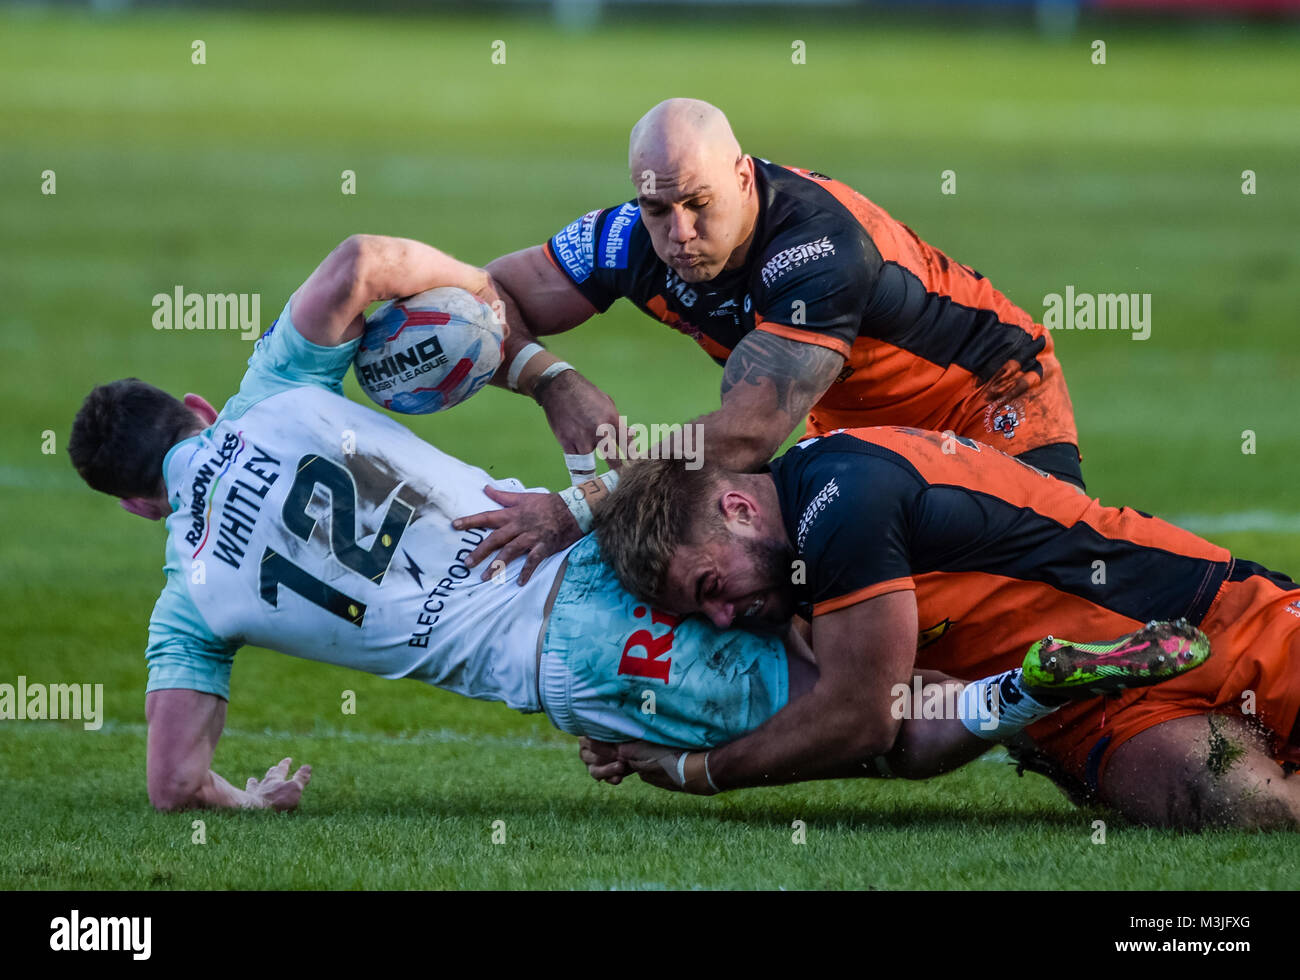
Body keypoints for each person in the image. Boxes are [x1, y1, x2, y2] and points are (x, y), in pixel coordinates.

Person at [69, 234, 1136, 812]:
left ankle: (1033, 697)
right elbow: (358, 263)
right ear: (198, 411)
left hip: (578, 658)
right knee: (823, 590)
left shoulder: (188, 602)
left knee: (862, 726)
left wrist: (241, 796)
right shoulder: (271, 391)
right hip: (602, 539)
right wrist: (532, 362)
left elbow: (172, 782)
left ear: (135, 504)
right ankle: (1052, 642)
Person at [455, 97, 1083, 582]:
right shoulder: (628, 237)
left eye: (700, 204)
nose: (679, 233)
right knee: (776, 595)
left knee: (1045, 591)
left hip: (988, 396)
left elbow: (747, 434)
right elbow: (482, 301)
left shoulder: (819, 247)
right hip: (853, 433)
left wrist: (579, 506)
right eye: (658, 209)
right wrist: (551, 380)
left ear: (743, 176)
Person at [591, 428, 1300, 830]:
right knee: (1246, 811)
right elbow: (866, 721)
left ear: (741, 508)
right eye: (701, 613)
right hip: (1082, 714)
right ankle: (1045, 685)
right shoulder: (797, 561)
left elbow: (862, 721)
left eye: (712, 590)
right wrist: (640, 725)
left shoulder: (841, 504)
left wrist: (697, 771)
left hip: (1208, 614)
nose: (722, 617)